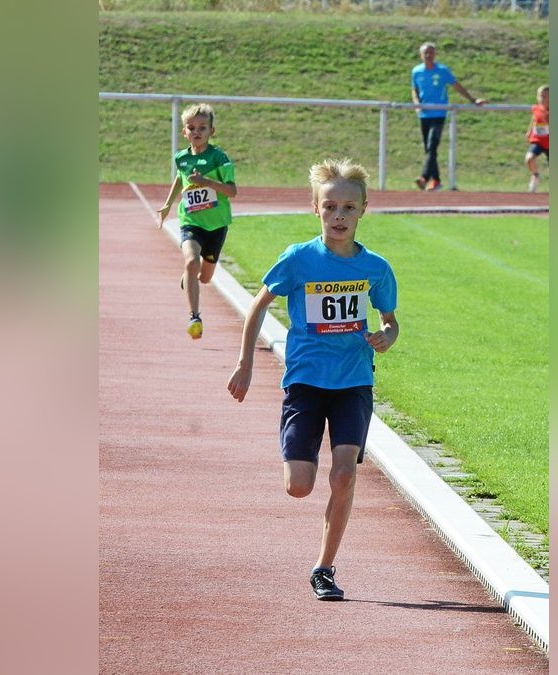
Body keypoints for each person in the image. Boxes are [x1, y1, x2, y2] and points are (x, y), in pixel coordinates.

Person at [227, 158, 399, 601]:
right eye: (330, 207)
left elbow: (391, 321)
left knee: (343, 476)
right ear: (315, 209)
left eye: (347, 207)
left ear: (364, 210)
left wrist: (386, 337)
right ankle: (296, 445)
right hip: (305, 381)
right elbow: (258, 305)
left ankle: (324, 568)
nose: (338, 216)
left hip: (354, 382)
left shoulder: (376, 268)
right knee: (299, 486)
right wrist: (246, 364)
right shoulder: (299, 259)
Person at [157, 103, 238, 340]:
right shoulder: (181, 158)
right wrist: (168, 203)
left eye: (202, 127)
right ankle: (194, 316)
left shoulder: (219, 158)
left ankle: (190, 276)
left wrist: (207, 182)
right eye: (191, 128)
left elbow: (232, 191)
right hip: (190, 221)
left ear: (212, 131)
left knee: (205, 277)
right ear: (184, 132)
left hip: (216, 225)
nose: (196, 132)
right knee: (192, 261)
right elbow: (181, 181)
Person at [410, 42, 487, 192]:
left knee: (432, 145)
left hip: (439, 113)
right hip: (424, 114)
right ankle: (437, 180)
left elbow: (456, 86)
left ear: (435, 54)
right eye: (425, 53)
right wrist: (416, 104)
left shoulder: (443, 71)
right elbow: (415, 90)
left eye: (431, 53)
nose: (428, 56)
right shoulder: (416, 71)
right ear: (421, 55)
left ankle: (424, 178)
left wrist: (472, 100)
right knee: (429, 149)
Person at [526, 85, 549, 193]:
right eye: (540, 96)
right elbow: (534, 119)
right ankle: (535, 175)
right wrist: (529, 131)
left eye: (545, 96)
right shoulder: (536, 108)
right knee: (529, 158)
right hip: (539, 140)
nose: (541, 99)